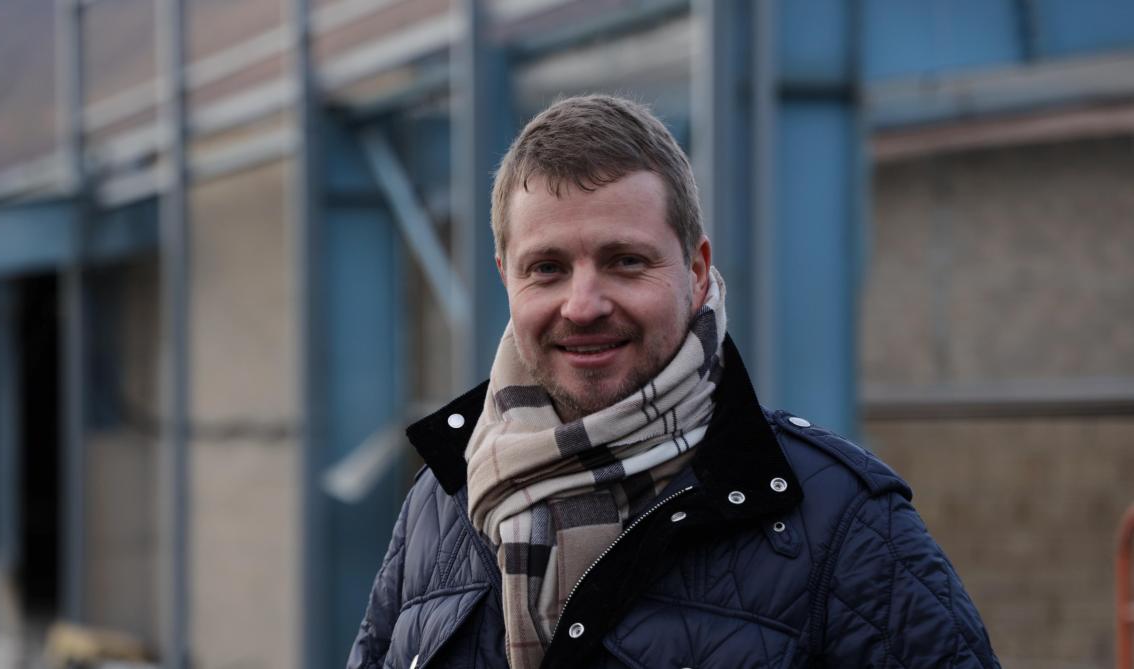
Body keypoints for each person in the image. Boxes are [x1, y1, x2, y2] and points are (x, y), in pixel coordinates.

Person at [347, 95, 998, 669]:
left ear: (696, 268)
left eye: (625, 261)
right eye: (546, 268)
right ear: (505, 277)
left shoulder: (841, 522)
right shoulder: (441, 500)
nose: (583, 304)